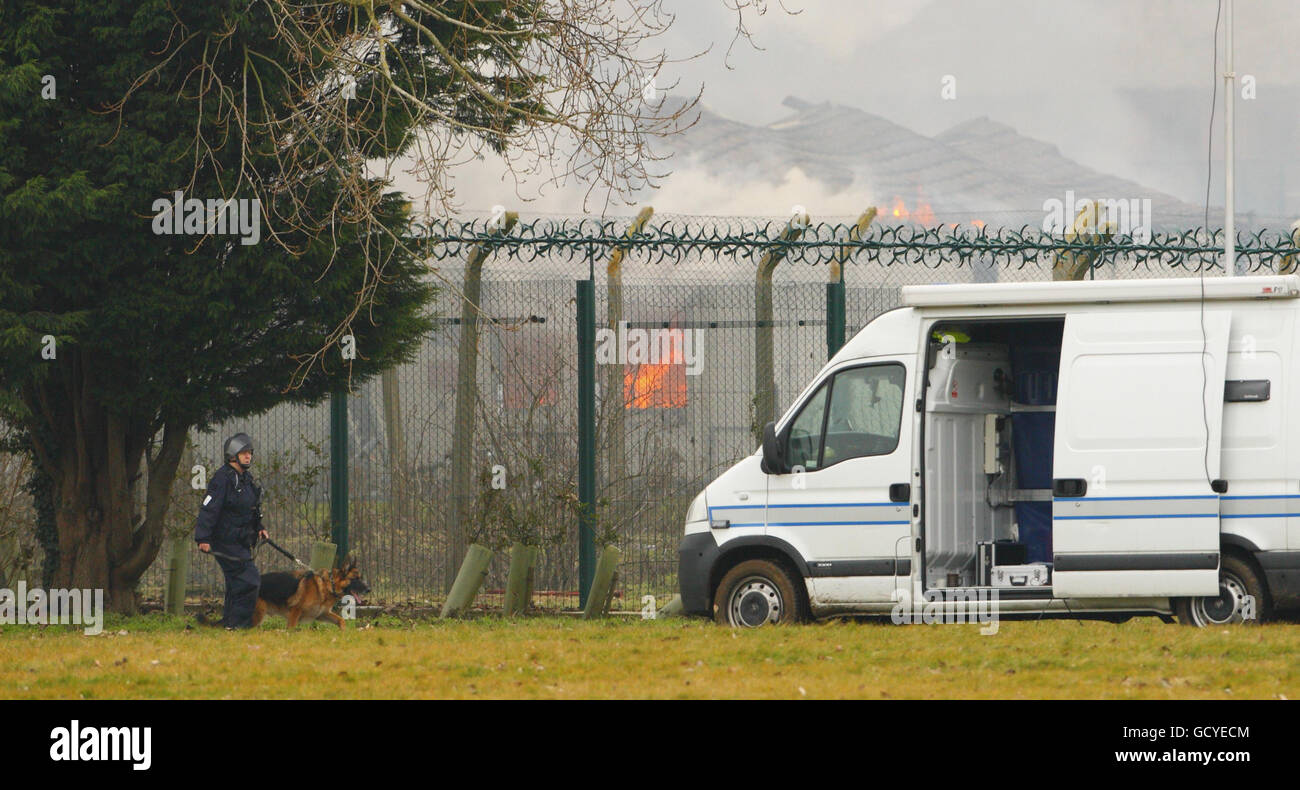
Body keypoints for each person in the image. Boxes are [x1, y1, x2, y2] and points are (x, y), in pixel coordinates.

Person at [195, 433, 268, 628]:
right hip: (225, 542)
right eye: (243, 453)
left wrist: (259, 528)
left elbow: (251, 509)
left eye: (250, 453)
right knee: (249, 581)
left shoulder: (247, 479)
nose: (248, 457)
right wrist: (203, 538)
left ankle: (229, 623)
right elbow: (209, 508)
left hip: (242, 541)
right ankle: (238, 624)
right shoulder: (222, 479)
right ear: (232, 455)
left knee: (236, 583)